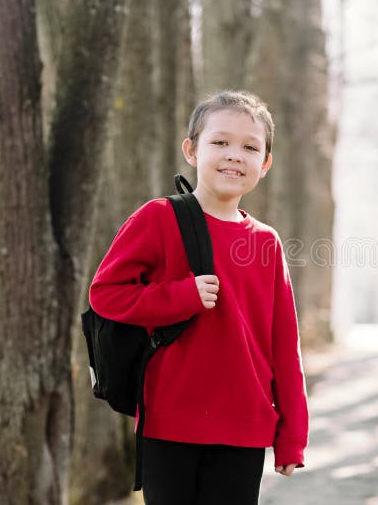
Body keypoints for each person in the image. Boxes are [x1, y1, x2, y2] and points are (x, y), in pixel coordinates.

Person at [89, 90, 309, 504]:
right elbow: (106, 294)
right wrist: (180, 295)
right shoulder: (158, 218)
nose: (234, 155)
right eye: (220, 142)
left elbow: (285, 345)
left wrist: (292, 434)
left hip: (245, 425)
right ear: (191, 150)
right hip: (169, 420)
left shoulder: (266, 242)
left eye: (249, 147)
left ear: (265, 164)